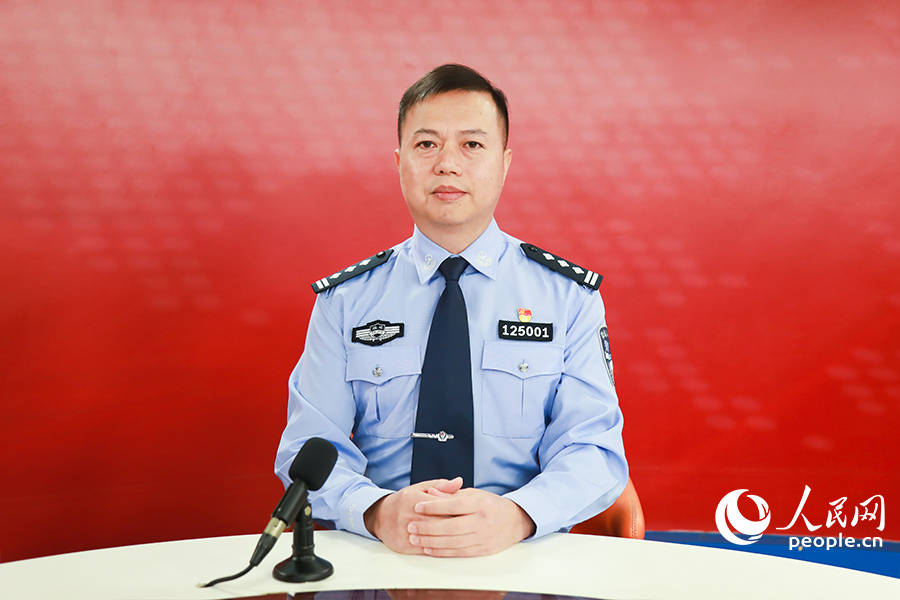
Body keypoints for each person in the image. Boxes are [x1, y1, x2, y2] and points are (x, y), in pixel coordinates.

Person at [275, 64, 628, 558]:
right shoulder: (346, 301)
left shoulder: (568, 298)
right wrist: (376, 511)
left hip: (521, 556)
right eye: (426, 144)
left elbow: (593, 450)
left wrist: (518, 515)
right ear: (399, 162)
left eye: (472, 144)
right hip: (382, 554)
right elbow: (310, 446)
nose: (447, 164)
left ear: (504, 163)